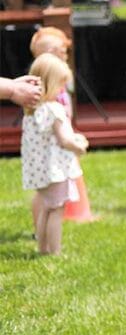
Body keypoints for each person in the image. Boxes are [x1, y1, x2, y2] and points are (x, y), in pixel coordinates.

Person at [22, 53, 88, 255]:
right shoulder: (54, 110)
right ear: (50, 83)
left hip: (39, 170)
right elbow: (64, 140)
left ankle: (42, 248)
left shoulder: (32, 111)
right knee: (57, 210)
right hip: (55, 171)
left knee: (46, 208)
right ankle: (55, 251)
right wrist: (79, 146)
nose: (61, 89)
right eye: (60, 84)